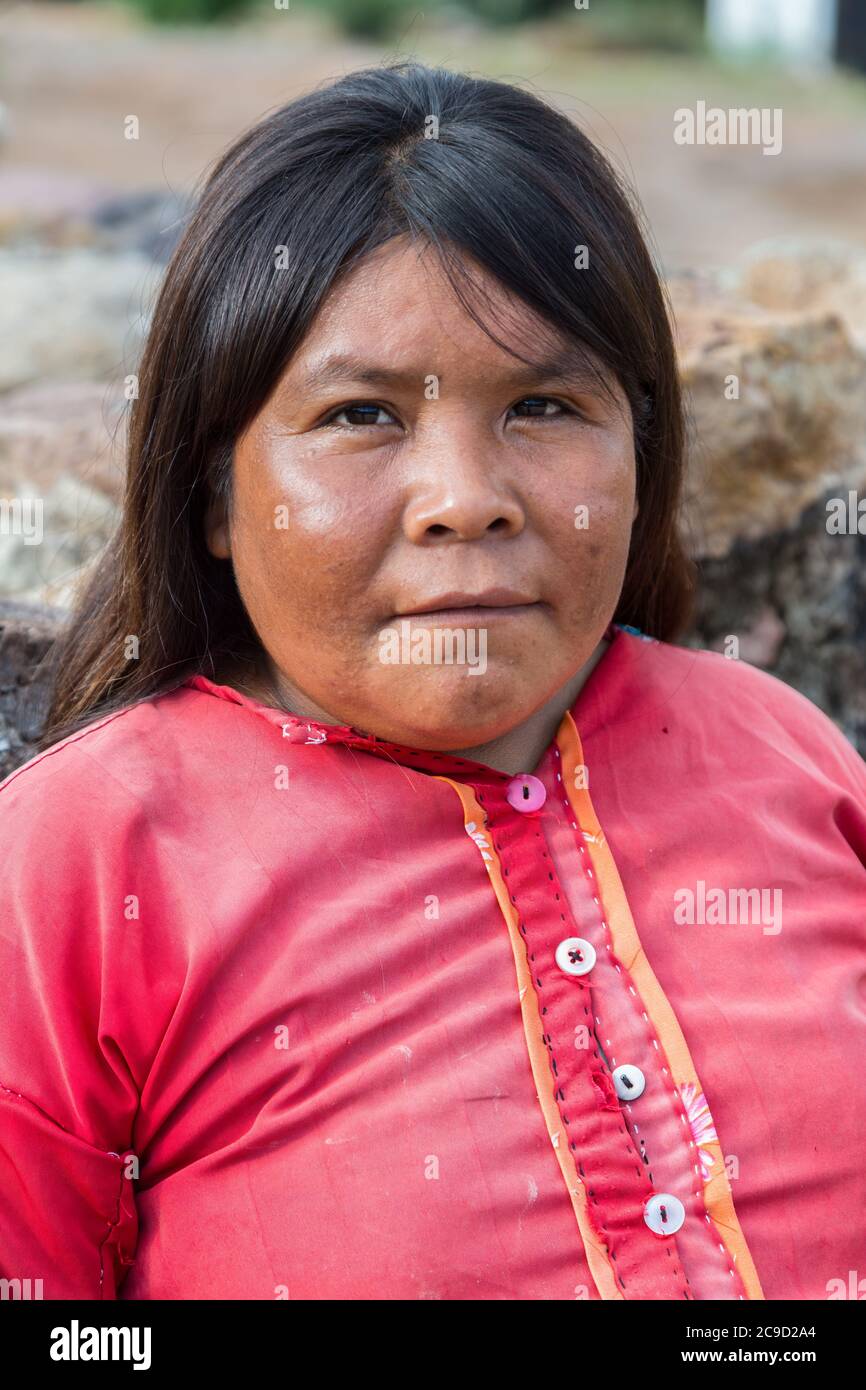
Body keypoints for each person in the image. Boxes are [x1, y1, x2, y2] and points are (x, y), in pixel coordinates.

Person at [2, 61, 865, 1302]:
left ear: (640, 449)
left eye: (543, 404)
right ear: (211, 495)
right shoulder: (80, 866)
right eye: (359, 415)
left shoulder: (783, 755)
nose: (467, 500)